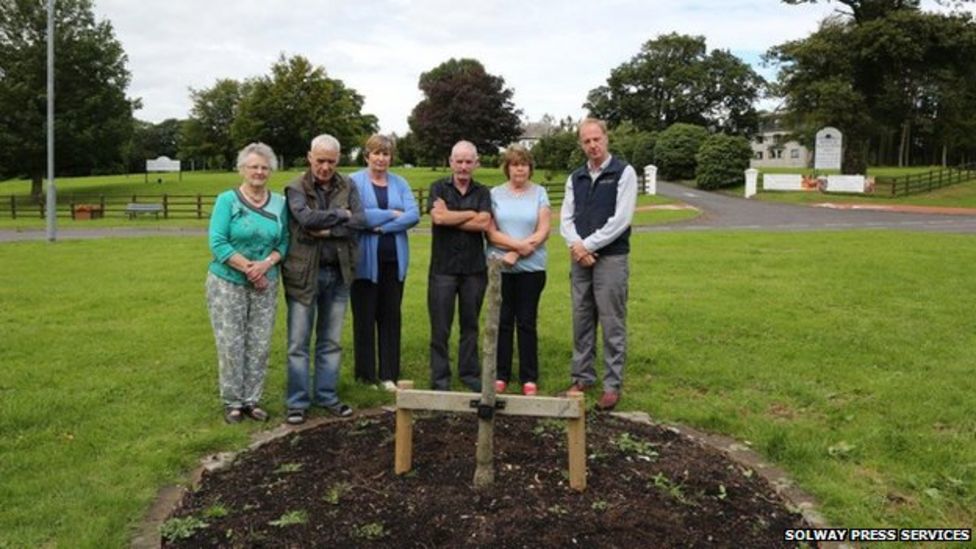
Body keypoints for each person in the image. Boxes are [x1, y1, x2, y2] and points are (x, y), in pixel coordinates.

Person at [281, 134, 365, 425]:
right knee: (298, 343)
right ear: (309, 157)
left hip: (340, 272)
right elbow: (305, 220)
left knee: (330, 341)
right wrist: (341, 214)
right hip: (304, 274)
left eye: (330, 161)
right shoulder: (295, 187)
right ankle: (297, 403)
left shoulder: (349, 185)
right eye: (320, 160)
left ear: (338, 159)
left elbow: (359, 222)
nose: (325, 167)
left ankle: (327, 396)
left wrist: (329, 230)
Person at [206, 142, 289, 424]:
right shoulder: (226, 200)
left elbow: (284, 242)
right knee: (231, 342)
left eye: (265, 167)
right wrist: (249, 268)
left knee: (260, 342)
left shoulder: (280, 203)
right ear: (242, 169)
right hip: (227, 281)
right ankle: (233, 402)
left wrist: (266, 265)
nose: (259, 172)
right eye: (253, 166)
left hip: (266, 283)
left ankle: (252, 400)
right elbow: (217, 242)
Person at [559, 118, 637, 411]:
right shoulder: (575, 177)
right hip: (580, 258)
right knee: (581, 318)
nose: (592, 145)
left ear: (606, 138)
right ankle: (582, 377)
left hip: (612, 258)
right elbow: (566, 218)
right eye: (586, 141)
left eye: (597, 139)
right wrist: (577, 247)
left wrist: (587, 245)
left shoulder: (623, 172)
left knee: (611, 321)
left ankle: (612, 384)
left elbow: (621, 219)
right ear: (581, 144)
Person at [349, 135, 420, 392]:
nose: (381, 158)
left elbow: (413, 215)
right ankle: (366, 376)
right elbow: (357, 216)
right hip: (363, 265)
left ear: (391, 157)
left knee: (391, 318)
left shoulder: (400, 183)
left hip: (393, 262)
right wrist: (391, 214)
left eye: (386, 154)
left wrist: (380, 229)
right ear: (367, 156)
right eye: (376, 153)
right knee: (364, 318)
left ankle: (388, 374)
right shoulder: (354, 182)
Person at [486, 145, 550, 396]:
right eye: (514, 164)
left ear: (530, 168)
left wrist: (520, 251)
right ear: (507, 168)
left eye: (523, 164)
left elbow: (543, 230)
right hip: (501, 267)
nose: (519, 168)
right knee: (502, 322)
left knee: (526, 322)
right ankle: (501, 374)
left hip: (532, 269)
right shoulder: (495, 194)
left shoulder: (540, 193)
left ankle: (529, 377)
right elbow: (491, 232)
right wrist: (515, 248)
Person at [427, 141, 491, 391]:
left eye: (468, 161)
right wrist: (470, 214)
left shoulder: (483, 192)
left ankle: (469, 373)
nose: (463, 166)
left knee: (470, 324)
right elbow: (438, 217)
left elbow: (484, 224)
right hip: (443, 268)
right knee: (440, 327)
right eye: (459, 161)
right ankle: (440, 378)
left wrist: (451, 216)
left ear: (476, 163)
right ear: (451, 161)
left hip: (474, 269)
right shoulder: (437, 188)